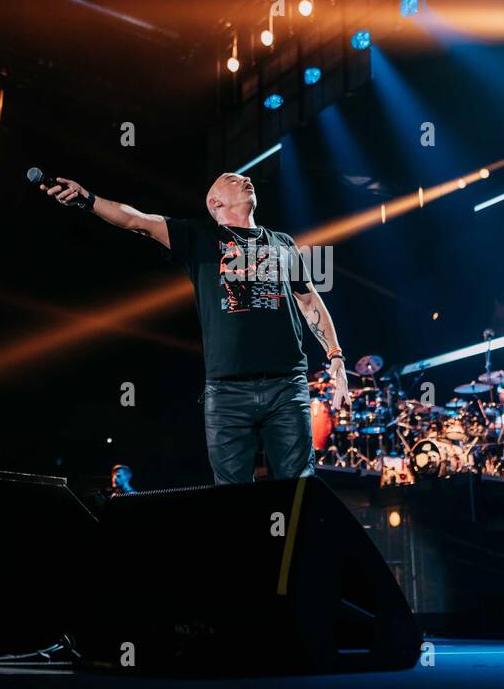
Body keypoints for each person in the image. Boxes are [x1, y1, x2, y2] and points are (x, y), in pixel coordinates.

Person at [40, 172, 350, 484]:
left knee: (298, 488)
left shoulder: (283, 243)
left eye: (244, 177)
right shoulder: (198, 237)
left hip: (286, 386)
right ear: (215, 202)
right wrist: (88, 199)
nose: (245, 179)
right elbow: (136, 220)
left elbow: (309, 301)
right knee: (231, 495)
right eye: (232, 179)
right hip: (228, 392)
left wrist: (335, 356)